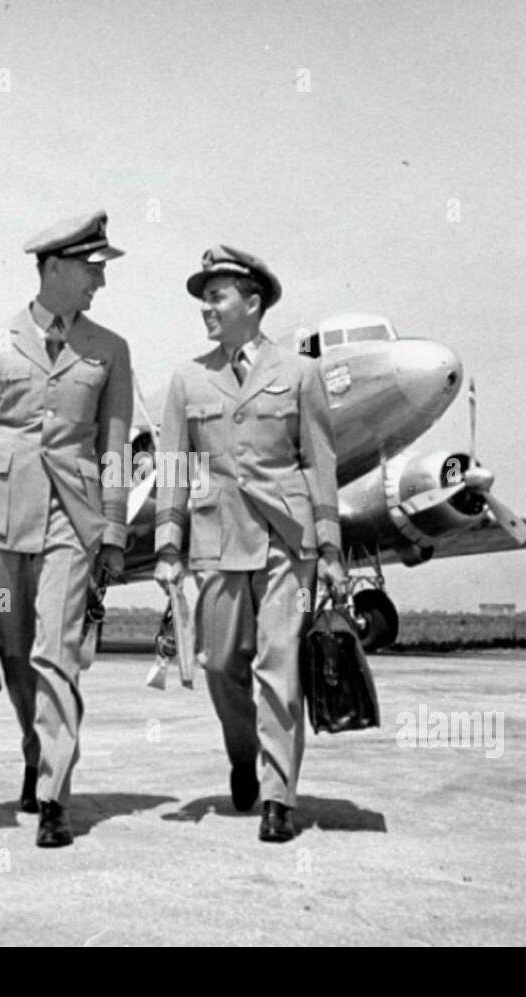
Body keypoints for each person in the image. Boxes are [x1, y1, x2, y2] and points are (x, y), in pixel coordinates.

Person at [0, 211, 132, 848]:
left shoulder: (111, 349)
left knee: (56, 652)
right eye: (90, 269)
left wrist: (115, 529)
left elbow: (117, 448)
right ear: (52, 268)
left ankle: (54, 796)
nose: (98, 282)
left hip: (73, 519)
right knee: (15, 649)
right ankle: (33, 745)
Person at [154, 245, 348, 843]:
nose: (206, 308)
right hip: (215, 541)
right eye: (204, 298)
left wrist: (332, 548)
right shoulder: (188, 379)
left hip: (287, 544)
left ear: (252, 302)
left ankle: (277, 796)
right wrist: (168, 544)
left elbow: (320, 462)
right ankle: (242, 754)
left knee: (279, 667)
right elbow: (174, 468)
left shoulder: (300, 374)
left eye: (216, 296)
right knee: (221, 668)